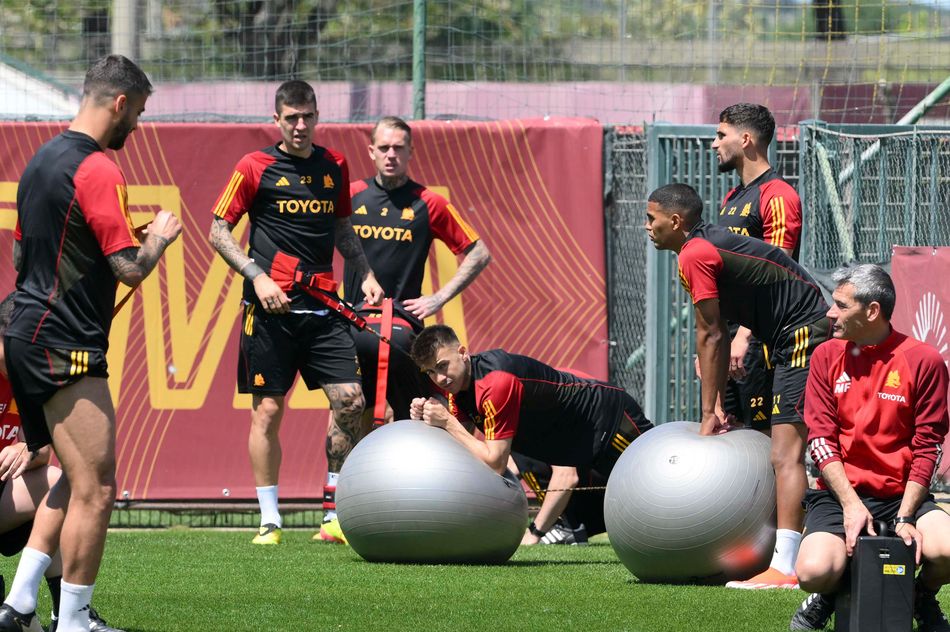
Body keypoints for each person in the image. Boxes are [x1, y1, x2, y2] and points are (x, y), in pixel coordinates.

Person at [2, 55, 181, 632]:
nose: (138, 127)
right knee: (98, 487)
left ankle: (21, 602)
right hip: (64, 343)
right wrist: (157, 239)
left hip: (25, 334)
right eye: (140, 114)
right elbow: (128, 268)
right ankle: (74, 621)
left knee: (72, 476)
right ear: (119, 104)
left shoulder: (39, 160)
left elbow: (19, 256)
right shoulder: (97, 169)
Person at [208, 80, 384, 546]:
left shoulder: (335, 165)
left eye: (307, 116)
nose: (300, 125)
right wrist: (256, 275)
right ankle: (270, 519)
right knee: (267, 410)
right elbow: (218, 230)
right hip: (269, 312)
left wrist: (363, 269)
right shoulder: (254, 166)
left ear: (317, 115)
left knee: (351, 402)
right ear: (277, 120)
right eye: (291, 117)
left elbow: (342, 226)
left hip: (323, 309)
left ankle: (333, 513)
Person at [645, 182, 829, 589]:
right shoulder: (695, 250)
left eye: (651, 219)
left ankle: (785, 568)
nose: (647, 227)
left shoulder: (695, 253)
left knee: (785, 453)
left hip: (801, 332)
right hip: (785, 333)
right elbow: (717, 333)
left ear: (675, 222)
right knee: (781, 449)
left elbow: (710, 335)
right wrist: (713, 399)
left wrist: (708, 412)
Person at [789, 264, 950, 632]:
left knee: (948, 550)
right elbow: (820, 439)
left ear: (872, 310)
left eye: (841, 305)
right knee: (814, 570)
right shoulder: (826, 356)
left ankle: (919, 594)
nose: (831, 313)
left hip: (901, 494)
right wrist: (850, 505)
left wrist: (906, 515)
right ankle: (831, 592)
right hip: (841, 492)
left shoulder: (923, 360)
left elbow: (928, 448)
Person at [408, 324, 652, 543]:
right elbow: (462, 451)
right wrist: (429, 419)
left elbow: (494, 462)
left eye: (442, 366)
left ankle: (549, 530)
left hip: (611, 422)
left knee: (660, 491)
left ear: (462, 353)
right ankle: (569, 528)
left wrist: (447, 423)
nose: (439, 378)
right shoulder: (459, 388)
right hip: (574, 448)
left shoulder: (496, 383)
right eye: (429, 372)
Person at [343, 115, 491, 425]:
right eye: (384, 147)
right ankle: (343, 476)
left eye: (399, 147)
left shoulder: (428, 202)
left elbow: (479, 253)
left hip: (404, 326)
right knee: (348, 409)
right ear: (371, 151)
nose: (391, 154)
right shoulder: (351, 194)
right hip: (354, 320)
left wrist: (438, 298)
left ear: (411, 151)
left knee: (414, 414)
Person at [0, 295, 117, 632]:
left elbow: (42, 452)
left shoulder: (27, 377)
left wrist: (28, 449)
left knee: (64, 482)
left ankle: (66, 614)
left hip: (5, 494)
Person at [712, 103, 803, 432]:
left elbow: (777, 273)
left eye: (722, 135)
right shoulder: (732, 197)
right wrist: (714, 344)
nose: (715, 143)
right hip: (731, 339)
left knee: (764, 441)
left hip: (762, 339)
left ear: (746, 139)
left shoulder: (778, 195)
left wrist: (745, 337)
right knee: (726, 432)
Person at [508, 452, 606, 545]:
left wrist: (535, 533)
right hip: (602, 503)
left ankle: (567, 527)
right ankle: (562, 525)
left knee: (528, 452)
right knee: (523, 453)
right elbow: (510, 466)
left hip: (606, 503)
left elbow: (568, 476)